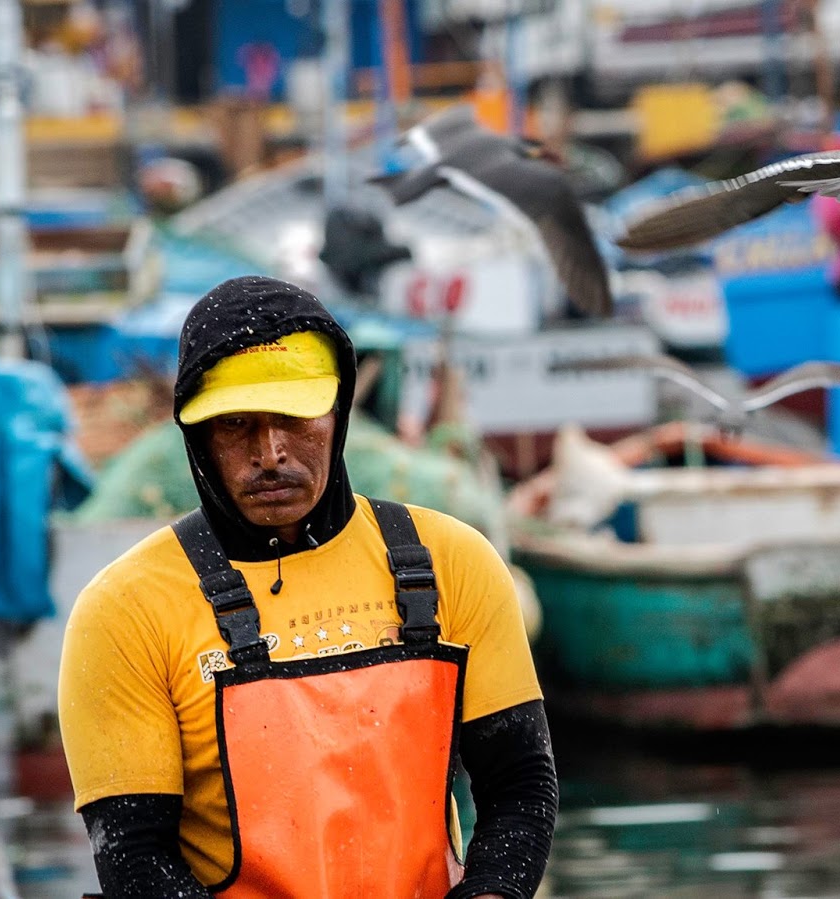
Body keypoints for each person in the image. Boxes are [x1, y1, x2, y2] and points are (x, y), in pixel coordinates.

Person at [58, 276, 556, 898]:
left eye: (295, 416)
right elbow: (135, 857)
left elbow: (520, 786)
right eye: (236, 423)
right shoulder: (125, 609)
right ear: (196, 436)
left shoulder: (452, 563)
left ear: (339, 412)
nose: (270, 452)